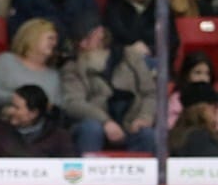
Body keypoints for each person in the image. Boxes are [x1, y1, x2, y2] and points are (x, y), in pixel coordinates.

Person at [60, 10, 157, 154]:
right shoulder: (72, 67)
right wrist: (105, 121)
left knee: (148, 135)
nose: (83, 44)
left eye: (98, 33)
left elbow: (150, 93)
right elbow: (73, 103)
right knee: (91, 129)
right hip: (98, 124)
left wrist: (145, 117)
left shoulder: (129, 56)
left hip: (132, 123)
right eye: (82, 40)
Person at [0, 17, 62, 120]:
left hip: (40, 126)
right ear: (33, 37)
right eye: (50, 38)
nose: (54, 43)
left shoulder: (53, 75)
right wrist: (15, 99)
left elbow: (57, 107)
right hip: (6, 123)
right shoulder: (6, 61)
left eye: (56, 40)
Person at [103, 0, 179, 71]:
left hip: (155, 61)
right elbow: (112, 39)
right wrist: (130, 49)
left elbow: (171, 40)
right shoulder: (114, 8)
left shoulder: (161, 7)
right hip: (123, 62)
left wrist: (150, 50)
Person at [0, 83, 77, 157]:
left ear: (33, 113)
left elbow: (70, 168)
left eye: (16, 107)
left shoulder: (59, 137)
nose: (10, 110)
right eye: (11, 105)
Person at [169, 82, 218, 156]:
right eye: (214, 107)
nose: (216, 111)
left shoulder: (179, 134)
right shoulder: (200, 138)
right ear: (202, 110)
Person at [168, 51, 214, 129]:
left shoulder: (213, 100)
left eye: (207, 74)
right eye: (198, 73)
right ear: (187, 75)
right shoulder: (177, 99)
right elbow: (171, 126)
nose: (203, 78)